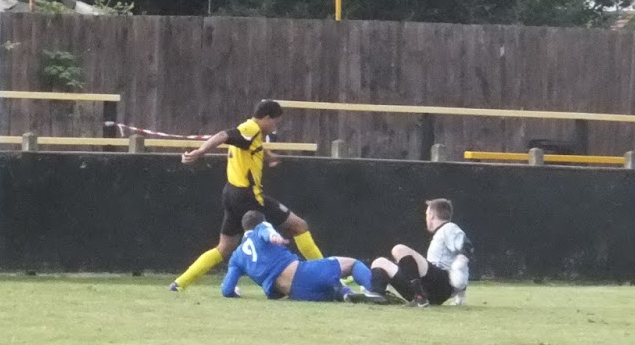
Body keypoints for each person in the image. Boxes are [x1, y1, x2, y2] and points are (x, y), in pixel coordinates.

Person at [171, 99, 324, 291]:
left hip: (231, 194)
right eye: (275, 122)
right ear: (267, 118)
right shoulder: (250, 129)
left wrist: (269, 158)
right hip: (248, 196)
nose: (275, 127)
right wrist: (200, 152)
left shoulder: (252, 133)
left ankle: (180, 283)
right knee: (299, 226)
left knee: (224, 247)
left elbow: (253, 146)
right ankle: (327, 273)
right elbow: (222, 135)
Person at [221, 211, 381, 302]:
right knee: (353, 264)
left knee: (332, 288)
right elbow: (266, 233)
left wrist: (235, 292)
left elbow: (227, 289)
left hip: (295, 293)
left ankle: (346, 293)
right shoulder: (261, 227)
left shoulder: (236, 257)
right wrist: (273, 237)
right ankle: (377, 292)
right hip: (301, 273)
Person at [369, 198, 471, 307]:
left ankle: (419, 298)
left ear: (431, 215)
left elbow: (466, 245)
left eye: (427, 214)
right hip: (428, 288)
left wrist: (461, 260)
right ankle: (379, 296)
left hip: (440, 284)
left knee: (399, 249)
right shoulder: (441, 234)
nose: (426, 218)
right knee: (379, 262)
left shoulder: (449, 228)